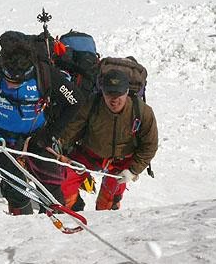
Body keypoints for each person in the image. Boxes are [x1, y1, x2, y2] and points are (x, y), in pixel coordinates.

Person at [0, 31, 83, 214]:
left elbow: (75, 100)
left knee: (50, 187)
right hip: (1, 140)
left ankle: (53, 229)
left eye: (18, 81)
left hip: (38, 138)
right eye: (9, 79)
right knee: (14, 188)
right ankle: (22, 229)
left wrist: (49, 134)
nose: (12, 85)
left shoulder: (45, 74)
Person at [57, 69, 158, 210]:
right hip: (90, 153)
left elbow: (150, 145)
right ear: (102, 92)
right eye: (109, 93)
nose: (114, 99)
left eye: (119, 94)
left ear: (127, 92)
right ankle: (72, 211)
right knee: (64, 184)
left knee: (110, 197)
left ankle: (105, 219)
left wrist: (133, 170)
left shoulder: (143, 112)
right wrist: (58, 146)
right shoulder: (92, 104)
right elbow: (74, 128)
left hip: (121, 161)